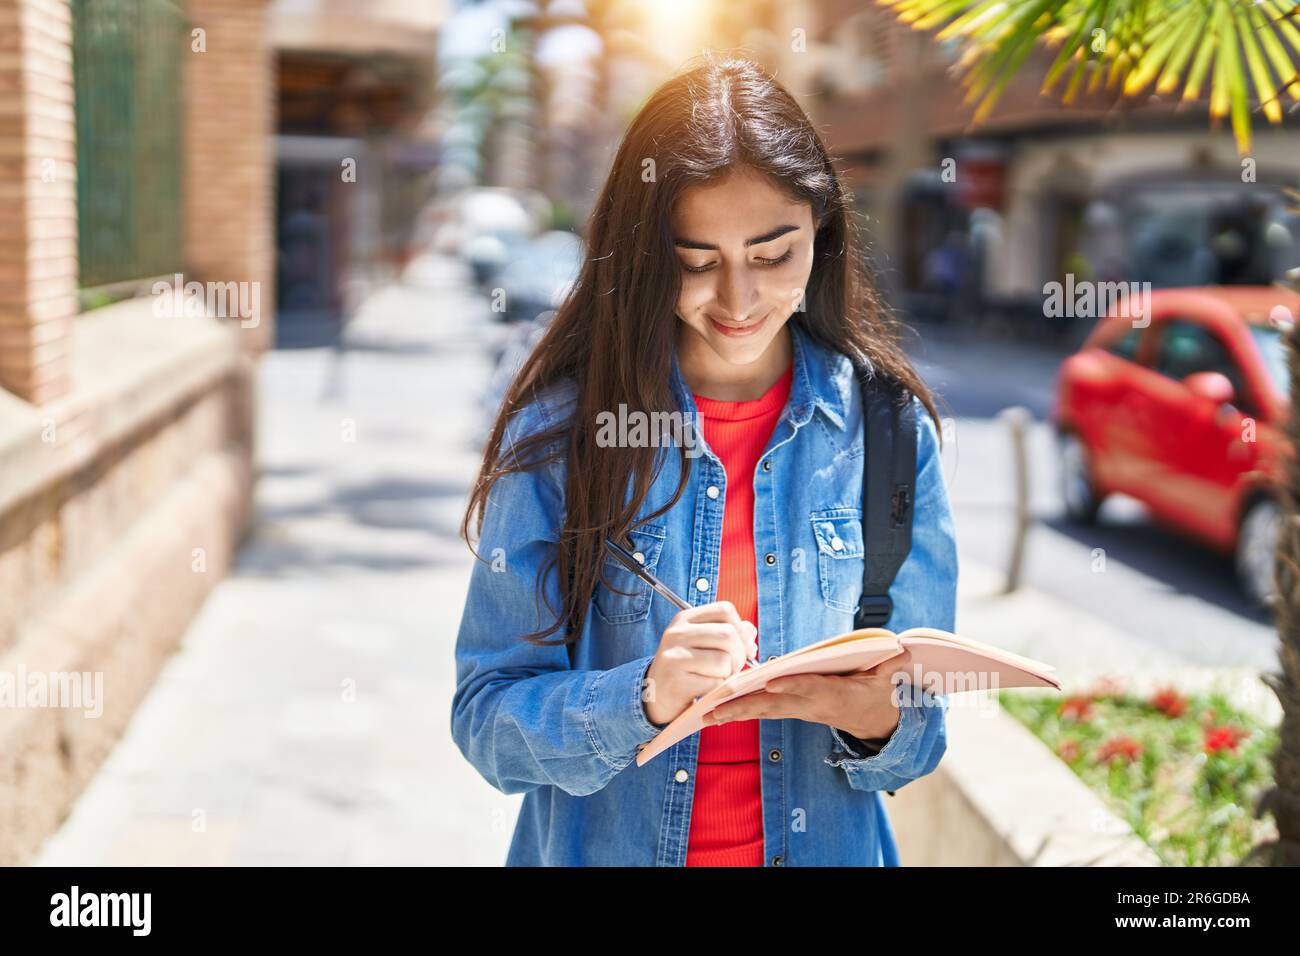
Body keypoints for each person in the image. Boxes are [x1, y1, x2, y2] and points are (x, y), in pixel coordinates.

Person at [451, 55, 958, 867]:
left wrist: (883, 721)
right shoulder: (565, 434)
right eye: (696, 261)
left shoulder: (889, 430)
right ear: (647, 254)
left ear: (820, 235)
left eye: (772, 255)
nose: (738, 301)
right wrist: (641, 698)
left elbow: (924, 734)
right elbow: (487, 726)